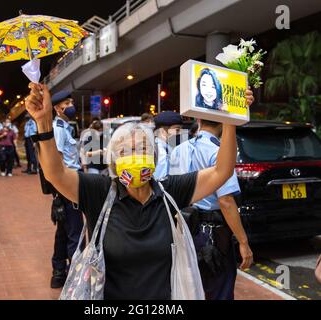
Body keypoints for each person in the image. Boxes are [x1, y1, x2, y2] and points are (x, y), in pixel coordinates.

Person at [25, 82, 254, 300]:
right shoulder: (99, 192)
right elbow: (55, 173)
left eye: (142, 148)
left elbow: (221, 171)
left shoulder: (169, 192)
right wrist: (44, 124)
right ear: (114, 159)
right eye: (126, 150)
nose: (134, 155)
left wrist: (230, 120)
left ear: (154, 156)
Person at [170, 119, 254, 300]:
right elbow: (226, 201)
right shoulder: (220, 153)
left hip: (184, 230)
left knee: (190, 291)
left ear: (199, 120)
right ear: (223, 124)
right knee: (219, 291)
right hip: (213, 235)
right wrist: (243, 242)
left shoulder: (178, 150)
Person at [49, 90, 84, 289]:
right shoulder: (59, 129)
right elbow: (58, 161)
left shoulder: (65, 127)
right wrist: (61, 191)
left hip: (68, 183)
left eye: (71, 101)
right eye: (67, 102)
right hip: (68, 184)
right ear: (57, 108)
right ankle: (75, 278)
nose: (71, 105)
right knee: (75, 231)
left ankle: (58, 272)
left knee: (63, 231)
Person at [153, 111, 184, 180]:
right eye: (177, 129)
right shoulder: (158, 151)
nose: (180, 133)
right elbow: (161, 179)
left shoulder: (169, 147)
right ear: (162, 131)